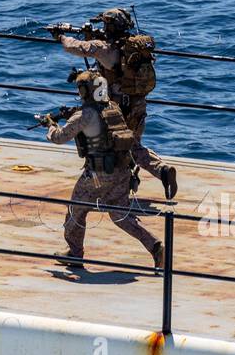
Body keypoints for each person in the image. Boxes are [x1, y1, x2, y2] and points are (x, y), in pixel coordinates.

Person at [41, 69, 165, 270]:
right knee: (120, 216)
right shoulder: (113, 108)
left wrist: (50, 125)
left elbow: (59, 137)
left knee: (76, 210)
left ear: (84, 91)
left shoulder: (84, 115)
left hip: (97, 175)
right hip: (122, 171)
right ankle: (155, 246)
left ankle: (74, 253)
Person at [51, 7, 178, 200]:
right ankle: (160, 171)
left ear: (110, 27)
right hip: (138, 104)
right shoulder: (134, 48)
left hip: (119, 109)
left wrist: (61, 37)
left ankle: (119, 188)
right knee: (133, 145)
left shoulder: (105, 48)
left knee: (119, 147)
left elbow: (75, 47)